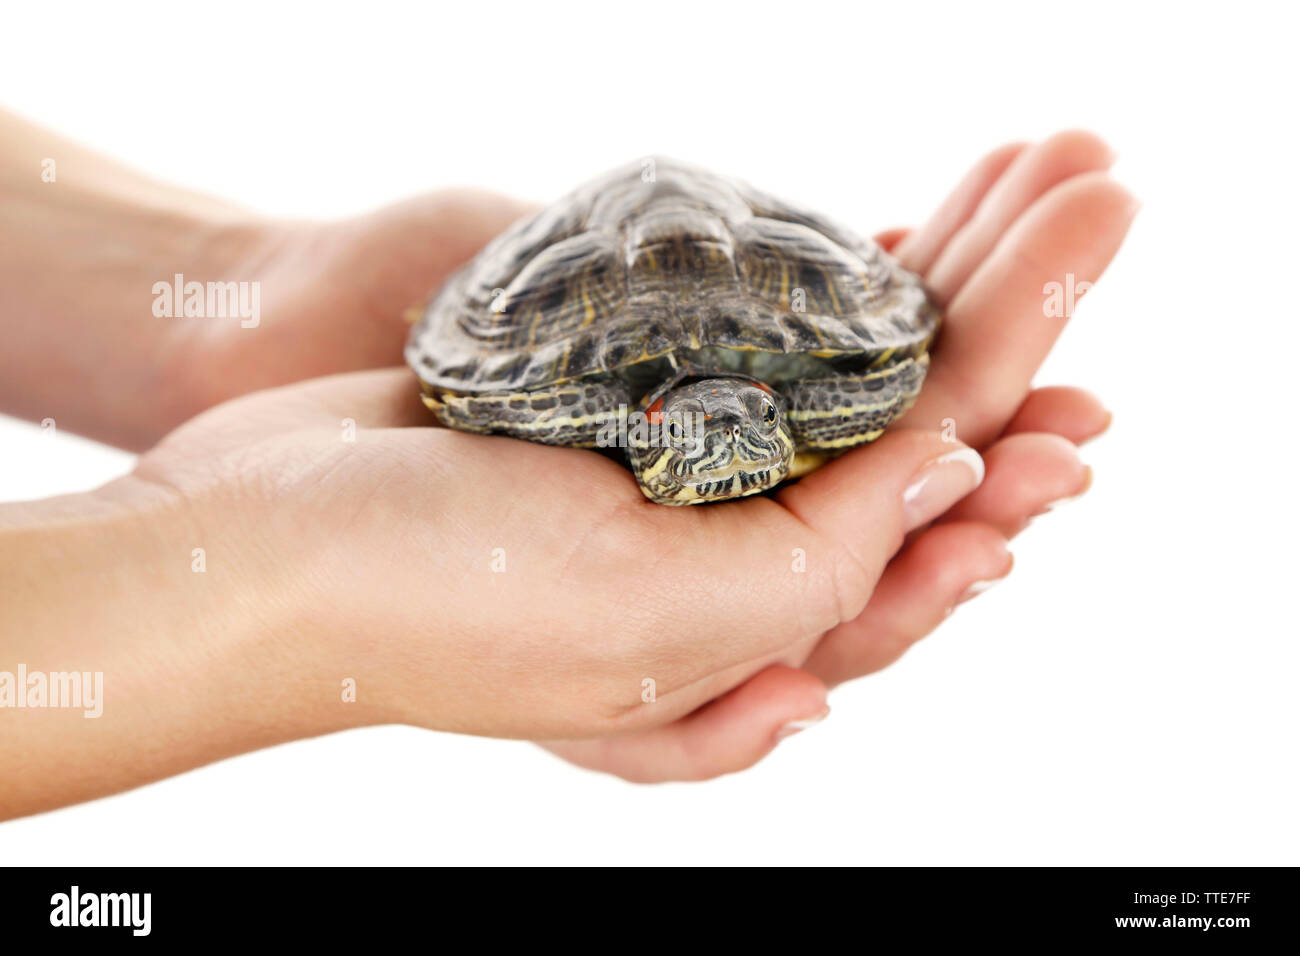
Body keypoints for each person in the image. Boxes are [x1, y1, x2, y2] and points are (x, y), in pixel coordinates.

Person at [0, 112, 1136, 818]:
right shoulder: (560, 400)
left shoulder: (806, 397)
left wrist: (236, 294)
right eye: (707, 427)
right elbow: (462, 389)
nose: (735, 437)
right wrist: (287, 571)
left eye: (744, 423)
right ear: (651, 424)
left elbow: (879, 359)